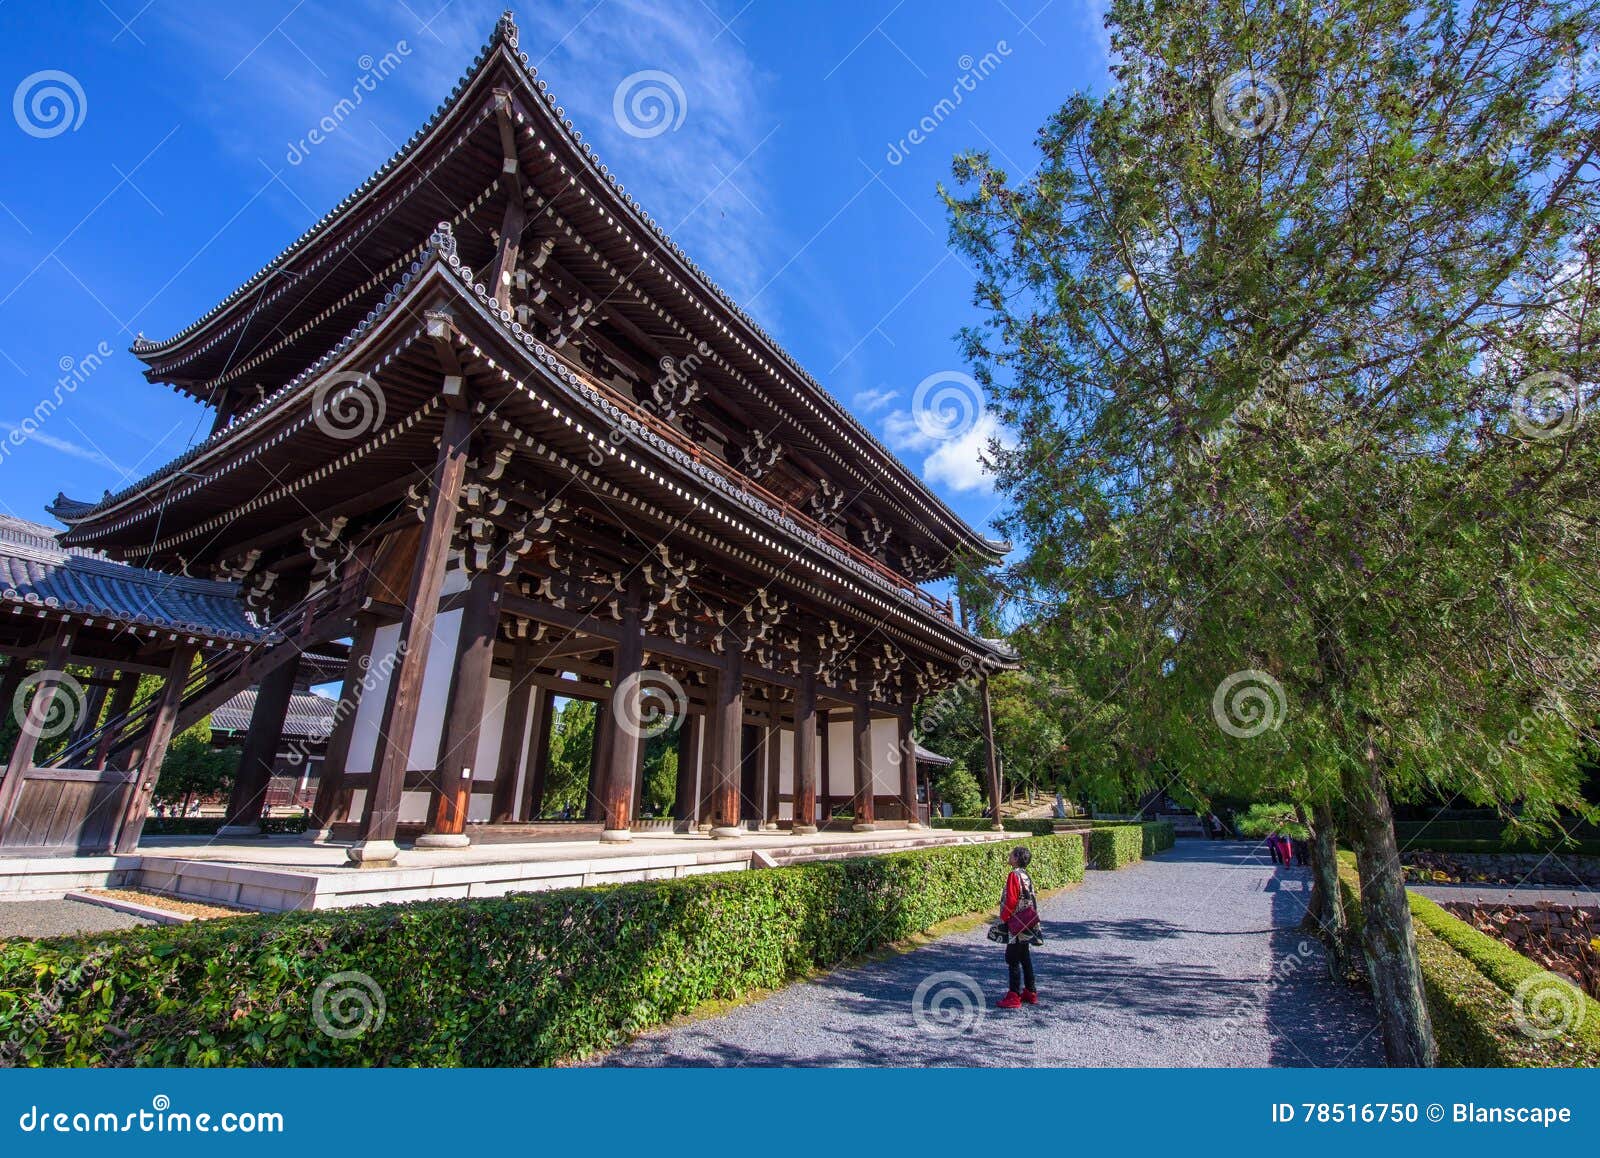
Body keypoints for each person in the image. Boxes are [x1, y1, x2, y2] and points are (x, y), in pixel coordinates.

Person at [996, 846, 1041, 1009]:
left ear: (1016, 858)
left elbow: (1011, 899)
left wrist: (1005, 918)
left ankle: (1013, 994)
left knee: (1012, 957)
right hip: (1028, 920)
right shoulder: (1025, 875)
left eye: (1012, 854)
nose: (1009, 856)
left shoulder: (1013, 875)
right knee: (1024, 956)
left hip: (1016, 920)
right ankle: (1031, 990)